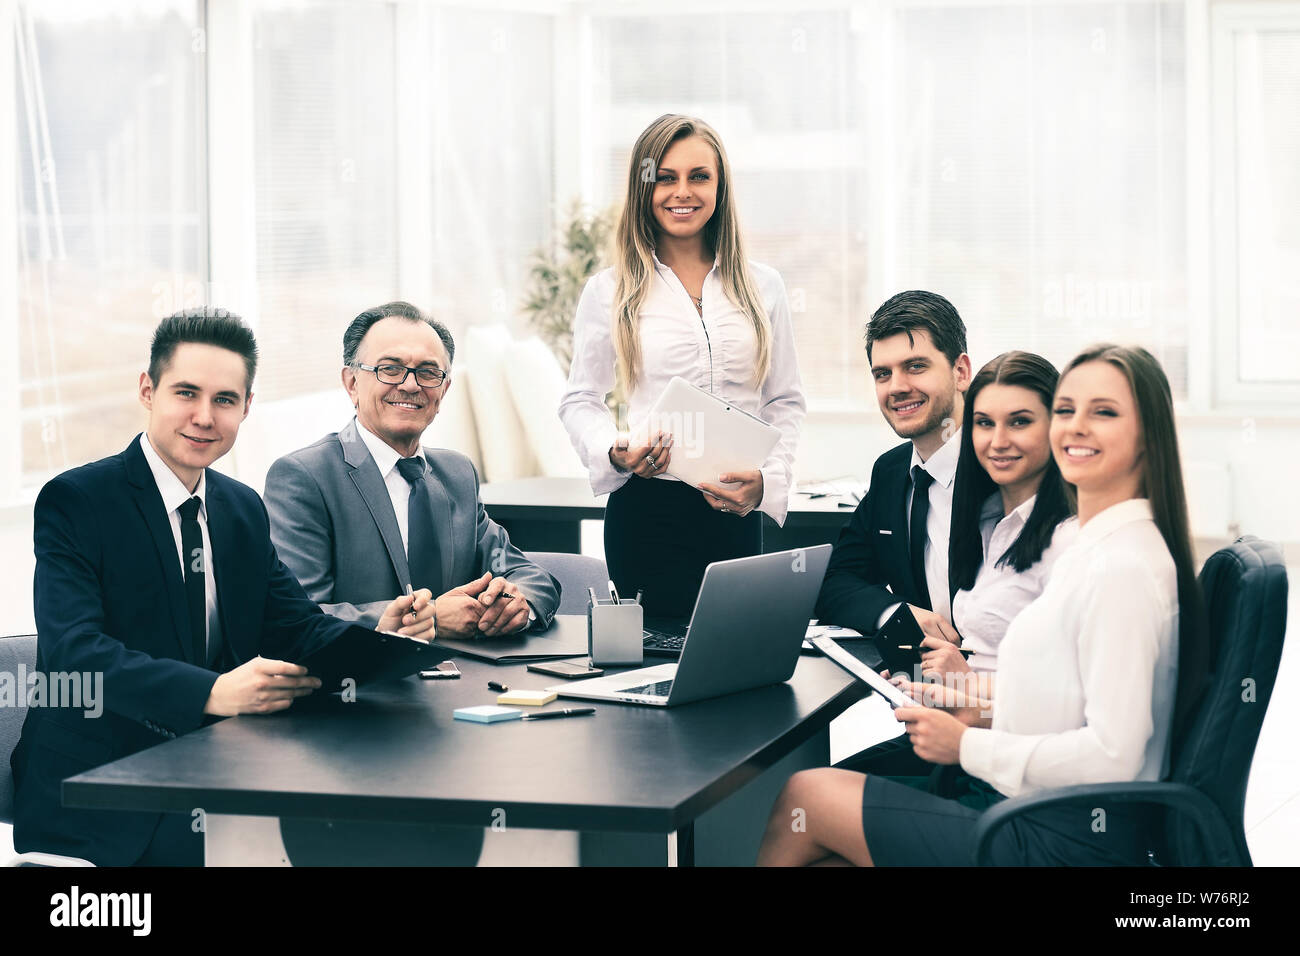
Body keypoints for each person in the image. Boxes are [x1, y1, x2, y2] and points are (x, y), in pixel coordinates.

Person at [756, 343, 1210, 866]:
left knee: (807, 798)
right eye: (1067, 410)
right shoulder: (1096, 546)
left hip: (1059, 838)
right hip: (1031, 808)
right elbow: (1065, 693)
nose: (1076, 427)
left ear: (1147, 434)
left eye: (1103, 412)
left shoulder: (1123, 566)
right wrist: (972, 699)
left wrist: (967, 744)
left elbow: (1118, 757)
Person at [10, 308, 418, 867]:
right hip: (100, 791)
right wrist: (211, 692)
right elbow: (74, 655)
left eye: (225, 400)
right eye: (186, 393)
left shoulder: (240, 508)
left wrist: (379, 633)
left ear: (246, 408)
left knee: (367, 825)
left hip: (216, 765)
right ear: (147, 391)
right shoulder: (78, 501)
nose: (205, 417)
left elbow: (294, 627)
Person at [558, 113, 805, 619]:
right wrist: (615, 449)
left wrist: (769, 481)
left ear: (720, 186)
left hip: (736, 511)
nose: (682, 192)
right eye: (665, 178)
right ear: (643, 188)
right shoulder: (610, 289)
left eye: (699, 176)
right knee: (654, 672)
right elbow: (580, 399)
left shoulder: (764, 286)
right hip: (648, 513)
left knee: (731, 661)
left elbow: (785, 400)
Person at [265, 301, 560, 639]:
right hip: (362, 684)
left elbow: (530, 575)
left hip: (468, 682)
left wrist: (518, 604)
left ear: (444, 389)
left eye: (428, 372)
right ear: (352, 383)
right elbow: (297, 616)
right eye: (390, 368)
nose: (409, 385)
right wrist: (426, 617)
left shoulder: (457, 474)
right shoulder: (305, 477)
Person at [815, 290, 972, 645]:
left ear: (960, 372)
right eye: (883, 374)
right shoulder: (892, 472)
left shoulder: (1003, 463)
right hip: (923, 680)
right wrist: (896, 614)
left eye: (916, 366)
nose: (897, 387)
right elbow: (835, 583)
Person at [920, 350, 1077, 682]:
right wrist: (929, 684)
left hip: (1001, 729)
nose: (998, 441)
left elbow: (1068, 698)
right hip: (962, 717)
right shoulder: (983, 523)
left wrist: (965, 686)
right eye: (984, 423)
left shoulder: (1070, 541)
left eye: (1019, 421)